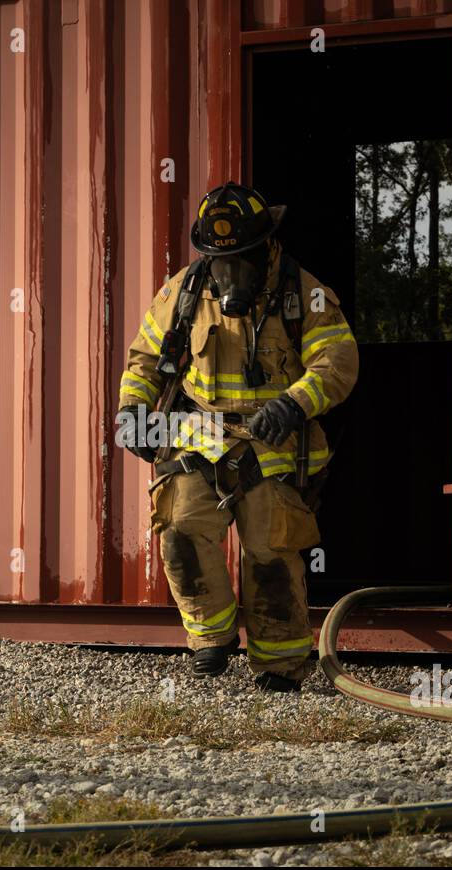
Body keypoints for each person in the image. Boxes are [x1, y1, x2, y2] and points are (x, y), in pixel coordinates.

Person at [118, 182, 358, 692]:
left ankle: (279, 664)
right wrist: (132, 411)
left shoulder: (303, 293)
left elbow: (337, 361)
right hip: (199, 433)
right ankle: (212, 637)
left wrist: (294, 403)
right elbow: (144, 359)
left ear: (266, 246)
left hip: (272, 439)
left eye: (242, 260)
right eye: (218, 261)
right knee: (180, 528)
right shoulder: (182, 291)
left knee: (270, 550)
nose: (229, 274)